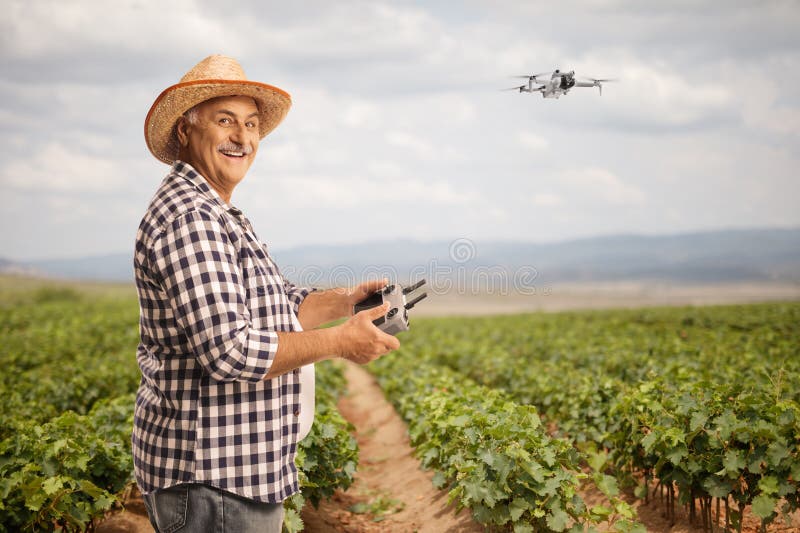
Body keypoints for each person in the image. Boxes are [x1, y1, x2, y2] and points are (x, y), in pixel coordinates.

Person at [133, 54, 400, 533]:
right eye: (225, 121)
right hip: (214, 483)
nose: (243, 138)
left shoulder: (218, 212)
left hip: (231, 479)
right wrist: (341, 342)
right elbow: (230, 350)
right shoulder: (191, 219)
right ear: (184, 132)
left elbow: (278, 304)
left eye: (252, 124)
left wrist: (345, 301)